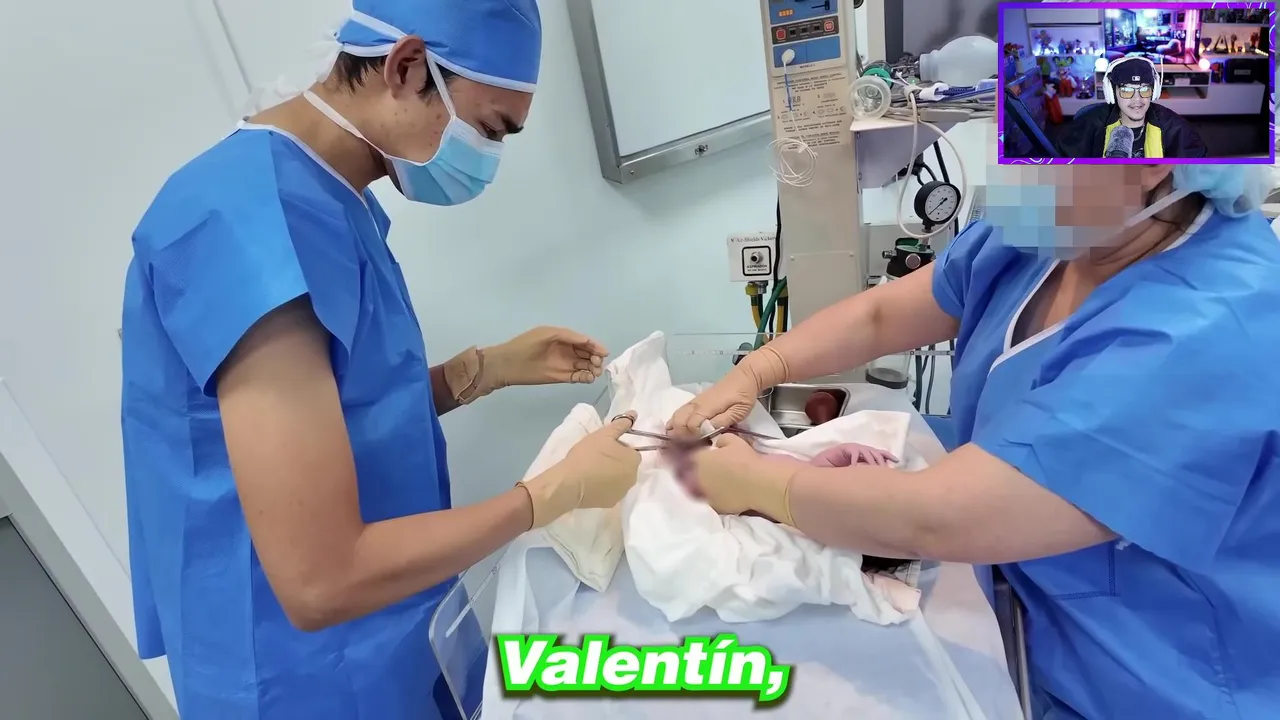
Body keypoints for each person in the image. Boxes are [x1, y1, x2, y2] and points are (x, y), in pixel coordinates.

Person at [119, 1, 641, 718]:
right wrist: (549, 495)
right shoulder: (247, 224)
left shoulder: (333, 197)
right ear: (406, 66)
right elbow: (319, 580)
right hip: (299, 675)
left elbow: (341, 413)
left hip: (393, 628)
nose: (487, 158)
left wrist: (480, 371)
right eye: (489, 130)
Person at [669, 164, 1280, 719]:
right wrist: (760, 368)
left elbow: (940, 517)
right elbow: (881, 316)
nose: (1020, 169)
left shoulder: (1205, 326)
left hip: (1157, 668)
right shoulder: (1056, 231)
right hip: (1020, 593)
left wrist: (760, 484)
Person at [1057, 56, 1207, 158]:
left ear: (1154, 92)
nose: (1137, 99)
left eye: (1144, 89)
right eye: (1127, 90)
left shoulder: (1174, 127)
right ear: (1112, 93)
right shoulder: (1091, 124)